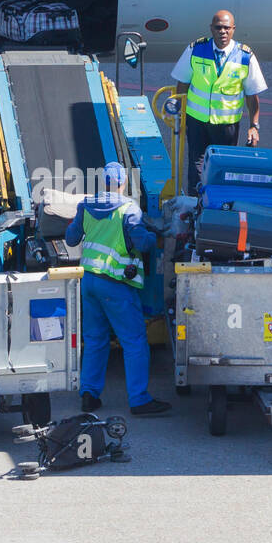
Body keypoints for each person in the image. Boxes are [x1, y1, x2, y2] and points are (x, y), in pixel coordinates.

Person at [65, 162, 171, 416]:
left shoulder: (87, 206)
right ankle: (139, 399)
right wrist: (155, 235)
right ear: (123, 183)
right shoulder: (128, 209)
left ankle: (89, 394)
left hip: (89, 281)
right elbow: (141, 243)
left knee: (95, 340)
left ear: (104, 182)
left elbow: (71, 238)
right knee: (134, 341)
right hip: (115, 283)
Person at [168, 10, 268, 193]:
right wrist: (180, 116)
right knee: (196, 168)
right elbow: (182, 83)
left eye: (227, 28)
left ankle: (218, 206)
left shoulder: (245, 57)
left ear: (233, 30)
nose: (222, 32)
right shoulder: (195, 49)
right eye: (218, 27)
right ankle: (195, 205)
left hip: (226, 126)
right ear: (211, 29)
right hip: (196, 121)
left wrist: (254, 126)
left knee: (223, 168)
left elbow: (252, 96)